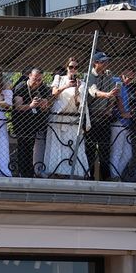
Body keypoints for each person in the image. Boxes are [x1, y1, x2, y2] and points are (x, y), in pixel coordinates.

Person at [45, 61, 88, 178]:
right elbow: (54, 94)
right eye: (71, 67)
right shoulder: (59, 78)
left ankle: (72, 171)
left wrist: (77, 90)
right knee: (57, 145)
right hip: (59, 116)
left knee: (72, 145)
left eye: (76, 67)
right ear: (67, 67)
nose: (73, 69)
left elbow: (79, 103)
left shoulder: (82, 83)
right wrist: (66, 86)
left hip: (72, 117)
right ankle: (56, 170)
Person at [84, 52, 120, 180]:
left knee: (105, 149)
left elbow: (113, 96)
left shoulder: (108, 75)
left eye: (107, 61)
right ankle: (90, 176)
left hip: (104, 118)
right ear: (95, 63)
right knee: (90, 149)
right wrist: (107, 95)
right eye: (103, 61)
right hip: (92, 119)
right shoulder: (89, 76)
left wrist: (109, 108)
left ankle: (105, 177)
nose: (106, 63)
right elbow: (93, 91)